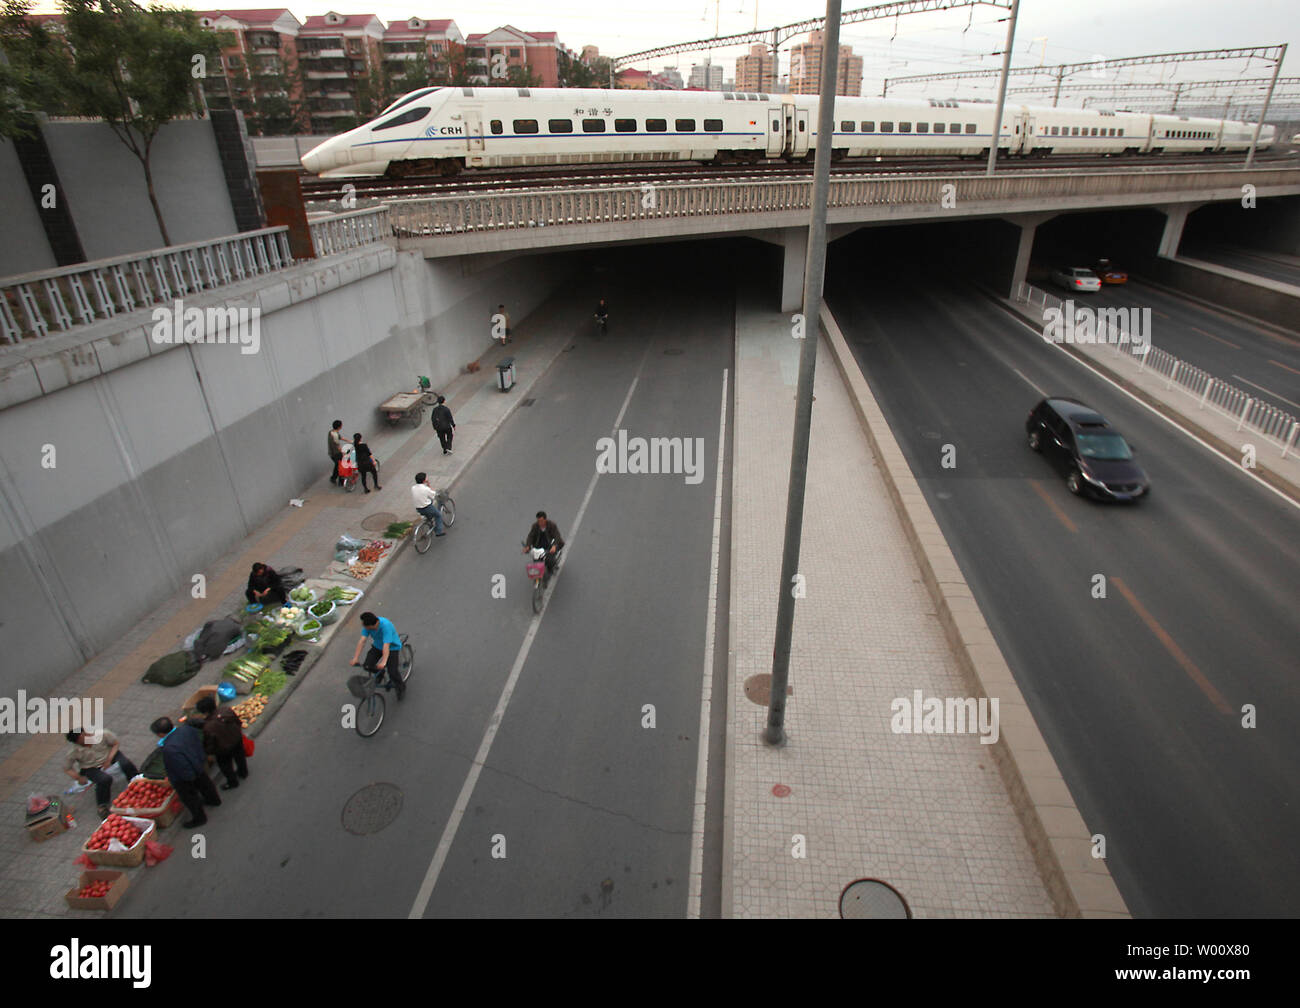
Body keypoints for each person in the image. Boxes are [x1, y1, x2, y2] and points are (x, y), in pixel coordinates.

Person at [150, 716, 221, 828]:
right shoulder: (186, 729)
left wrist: (185, 779)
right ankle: (214, 800)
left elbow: (180, 766)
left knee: (190, 797)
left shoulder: (169, 748)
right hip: (198, 762)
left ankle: (199, 818)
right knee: (205, 783)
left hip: (185, 776)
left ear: (160, 734)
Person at [63, 727, 139, 819]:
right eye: (82, 740)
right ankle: (102, 805)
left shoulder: (103, 734)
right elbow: (67, 768)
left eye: (86, 735)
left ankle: (138, 782)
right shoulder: (74, 751)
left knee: (125, 764)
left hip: (109, 756)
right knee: (104, 779)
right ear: (77, 743)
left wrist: (109, 759)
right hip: (91, 767)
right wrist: (79, 778)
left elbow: (115, 744)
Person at [195, 696, 248, 791]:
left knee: (226, 766)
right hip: (237, 740)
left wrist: (208, 752)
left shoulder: (208, 727)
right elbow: (238, 722)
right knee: (240, 757)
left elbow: (210, 744)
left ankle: (232, 782)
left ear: (205, 712)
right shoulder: (226, 710)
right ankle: (243, 772)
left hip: (223, 749)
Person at [350, 611, 405, 701]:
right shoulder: (367, 626)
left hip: (392, 648)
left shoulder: (385, 626)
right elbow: (362, 641)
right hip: (377, 646)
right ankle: (380, 674)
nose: (364, 627)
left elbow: (386, 645)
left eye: (365, 627)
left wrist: (383, 662)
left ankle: (401, 687)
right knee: (367, 665)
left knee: (392, 672)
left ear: (371, 626)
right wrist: (355, 658)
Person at [523, 511, 565, 585]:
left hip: (550, 546)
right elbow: (530, 537)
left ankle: (550, 571)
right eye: (538, 521)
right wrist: (528, 546)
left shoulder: (552, 525)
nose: (540, 523)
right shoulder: (535, 526)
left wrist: (554, 546)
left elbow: (557, 536)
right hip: (539, 546)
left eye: (541, 521)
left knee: (550, 561)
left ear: (545, 520)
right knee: (536, 561)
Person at [411, 472, 445, 536]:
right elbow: (433, 494)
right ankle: (439, 532)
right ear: (424, 480)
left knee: (430, 514)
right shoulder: (425, 489)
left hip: (418, 508)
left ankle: (431, 523)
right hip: (427, 508)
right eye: (426, 477)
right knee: (438, 515)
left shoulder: (413, 488)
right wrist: (428, 484)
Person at [327, 420, 346, 484]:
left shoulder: (331, 432)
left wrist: (349, 441)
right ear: (339, 427)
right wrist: (343, 453)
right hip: (336, 453)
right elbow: (338, 447)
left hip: (331, 453)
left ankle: (333, 478)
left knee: (337, 466)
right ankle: (341, 481)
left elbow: (340, 437)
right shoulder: (335, 435)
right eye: (341, 425)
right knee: (341, 466)